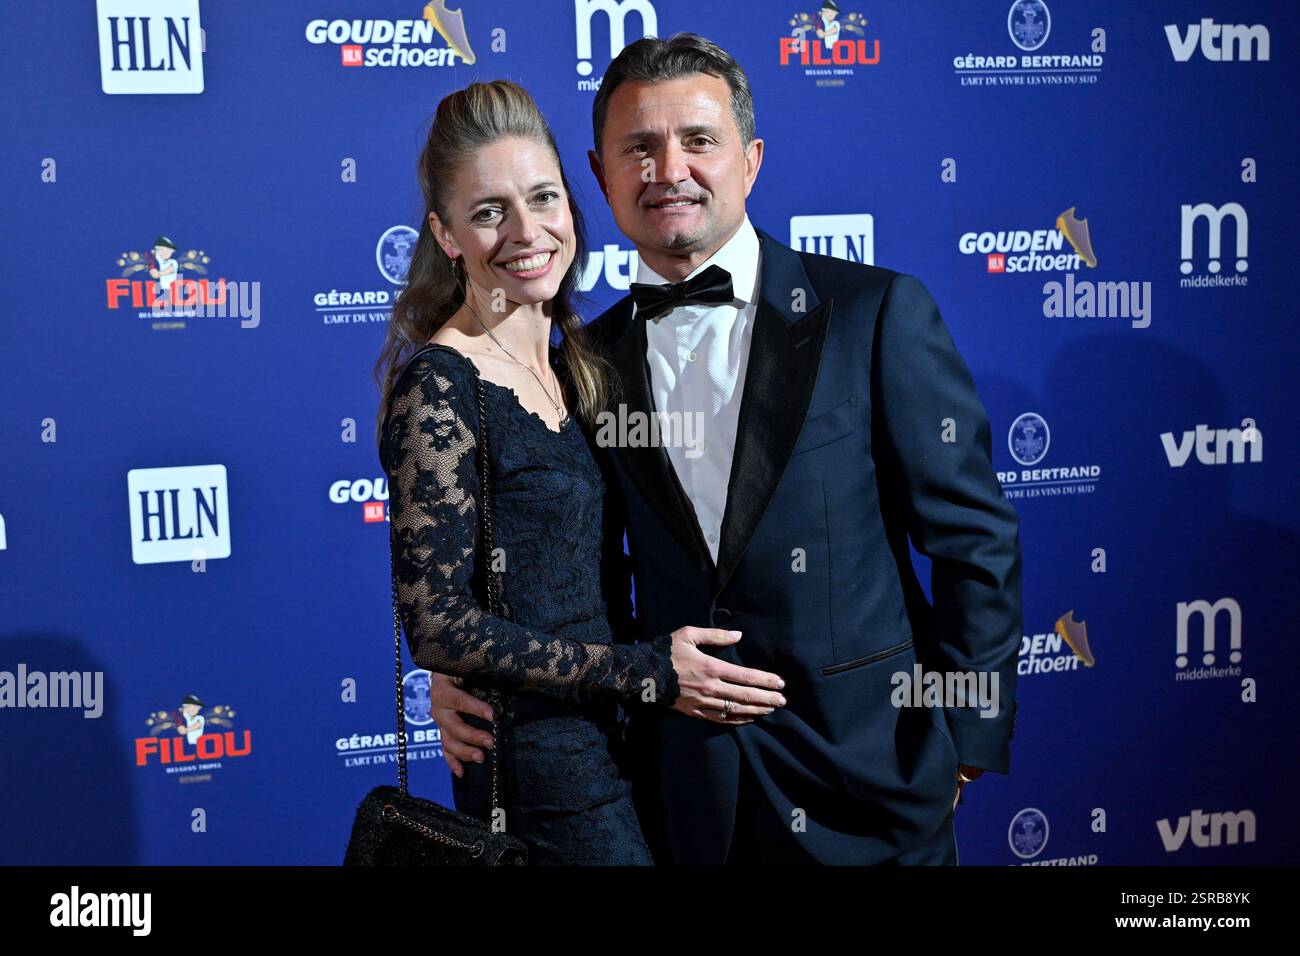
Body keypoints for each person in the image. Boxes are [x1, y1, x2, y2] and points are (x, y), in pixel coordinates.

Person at [432, 35, 1023, 866]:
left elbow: (975, 544)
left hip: (871, 787)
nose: (668, 169)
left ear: (750, 159)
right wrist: (465, 673)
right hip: (683, 798)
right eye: (640, 147)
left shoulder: (873, 315)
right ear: (600, 176)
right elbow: (549, 566)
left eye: (698, 141)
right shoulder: (578, 363)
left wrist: (963, 740)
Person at [372, 79, 787, 865]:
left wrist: (639, 685)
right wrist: (640, 672)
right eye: (489, 211)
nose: (527, 232)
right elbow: (437, 622)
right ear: (446, 234)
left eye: (543, 198)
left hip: (635, 741)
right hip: (543, 771)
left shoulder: (582, 364)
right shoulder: (442, 383)